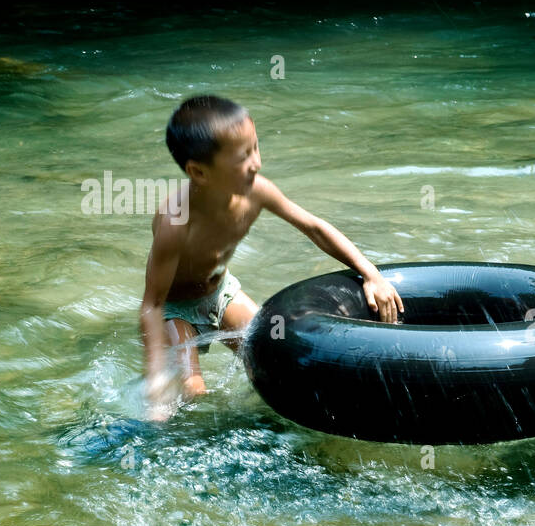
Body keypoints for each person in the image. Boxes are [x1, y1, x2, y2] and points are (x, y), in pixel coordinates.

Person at [139, 95, 403, 421]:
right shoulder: (175, 221)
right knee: (193, 394)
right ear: (199, 172)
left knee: (276, 357)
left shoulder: (257, 192)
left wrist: (370, 273)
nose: (257, 163)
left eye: (255, 148)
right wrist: (155, 376)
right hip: (174, 309)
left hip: (222, 293)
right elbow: (151, 304)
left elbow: (314, 227)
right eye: (242, 157)